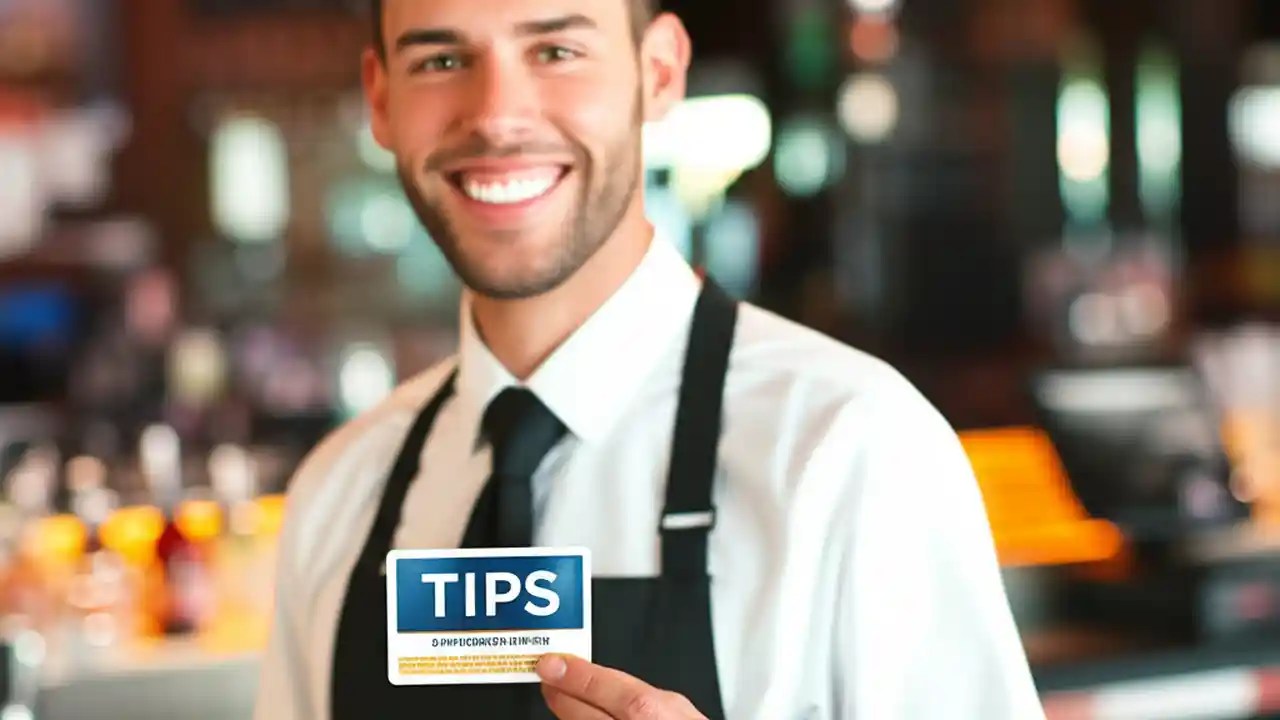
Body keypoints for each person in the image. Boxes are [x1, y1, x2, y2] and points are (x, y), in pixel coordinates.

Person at [253, 0, 1046, 718]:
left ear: (659, 70)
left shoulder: (850, 448)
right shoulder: (338, 493)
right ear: (382, 98)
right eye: (441, 60)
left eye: (555, 51)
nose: (495, 116)